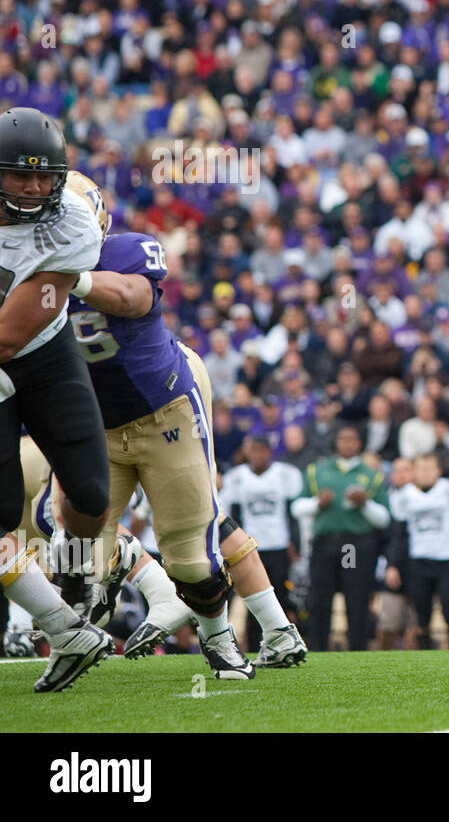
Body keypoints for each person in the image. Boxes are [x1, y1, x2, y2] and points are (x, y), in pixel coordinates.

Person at [55, 172, 307, 674]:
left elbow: (131, 298)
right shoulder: (25, 271)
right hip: (98, 419)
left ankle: (228, 634)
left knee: (195, 541)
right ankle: (100, 600)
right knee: (75, 549)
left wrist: (66, 277)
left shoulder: (124, 253)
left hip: (165, 401)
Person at [0, 109, 114, 692]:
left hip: (41, 353)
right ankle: (63, 629)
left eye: (45, 177)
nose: (34, 188)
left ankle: (71, 579)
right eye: (20, 176)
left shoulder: (71, 224)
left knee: (93, 495)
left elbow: (9, 336)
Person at [293, 425, 391, 651]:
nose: (347, 443)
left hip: (353, 544)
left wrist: (364, 503)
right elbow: (297, 507)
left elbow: (384, 518)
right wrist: (317, 503)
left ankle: (357, 649)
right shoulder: (317, 471)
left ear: (359, 443)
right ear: (336, 442)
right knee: (320, 598)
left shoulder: (370, 474)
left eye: (352, 438)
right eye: (343, 438)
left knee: (356, 596)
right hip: (325, 542)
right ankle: (317, 650)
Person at [219, 434, 308, 660]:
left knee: (278, 597)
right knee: (246, 598)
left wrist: (294, 544)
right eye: (254, 450)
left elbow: (292, 513)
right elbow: (232, 514)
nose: (258, 455)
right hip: (247, 547)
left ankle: (281, 642)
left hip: (278, 545)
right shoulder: (237, 477)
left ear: (269, 452)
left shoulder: (286, 474)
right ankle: (248, 648)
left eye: (262, 450)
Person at [387, 452, 449, 649]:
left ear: (438, 471)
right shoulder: (405, 496)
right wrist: (392, 564)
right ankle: (425, 656)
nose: (424, 473)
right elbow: (399, 535)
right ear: (414, 472)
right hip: (419, 561)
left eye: (429, 469)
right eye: (420, 469)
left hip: (446, 559)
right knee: (421, 614)